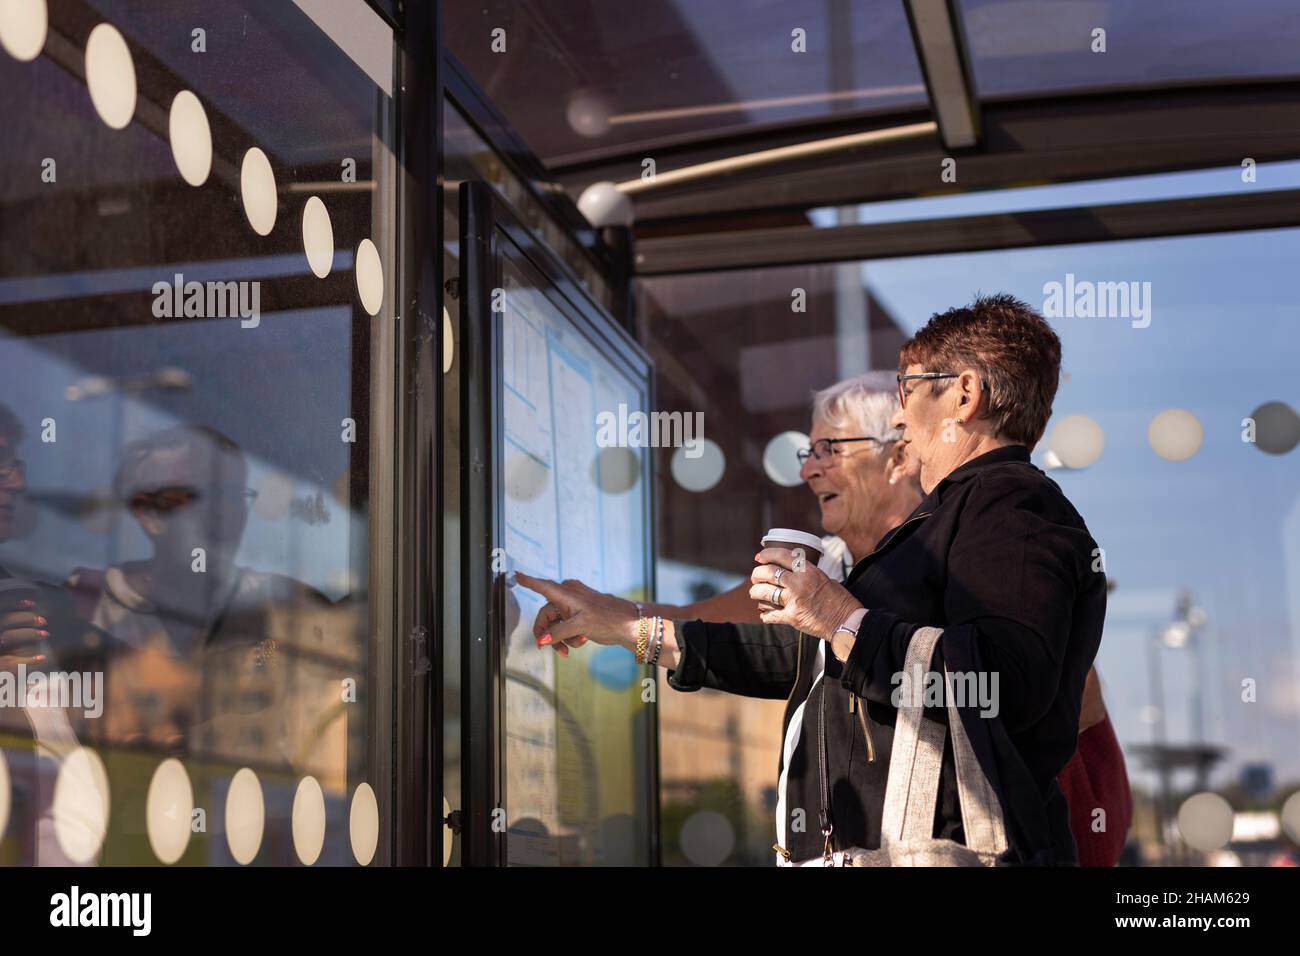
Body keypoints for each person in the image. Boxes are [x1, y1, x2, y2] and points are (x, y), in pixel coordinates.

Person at [520, 294, 1108, 865]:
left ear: (964, 394)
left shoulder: (1008, 504)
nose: (901, 415)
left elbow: (1002, 685)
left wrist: (835, 615)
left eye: (906, 387)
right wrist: (626, 627)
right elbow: (809, 660)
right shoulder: (962, 514)